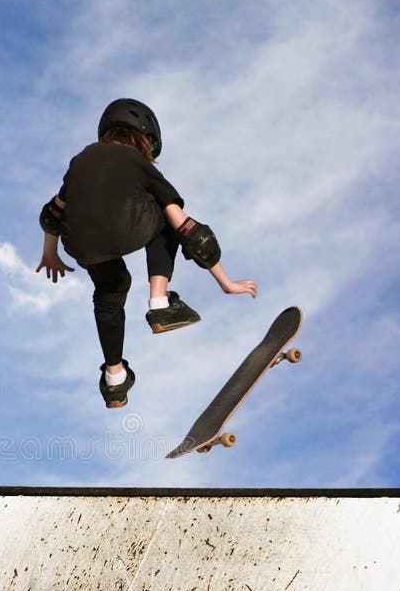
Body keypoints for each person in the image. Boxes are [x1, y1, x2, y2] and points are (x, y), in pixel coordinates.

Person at [36, 98, 257, 408]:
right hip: (124, 229)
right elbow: (190, 231)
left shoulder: (81, 159)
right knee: (167, 214)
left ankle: (114, 378)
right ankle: (160, 303)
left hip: (78, 242)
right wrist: (226, 281)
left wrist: (50, 254)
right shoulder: (137, 162)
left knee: (111, 290)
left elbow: (51, 213)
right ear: (147, 139)